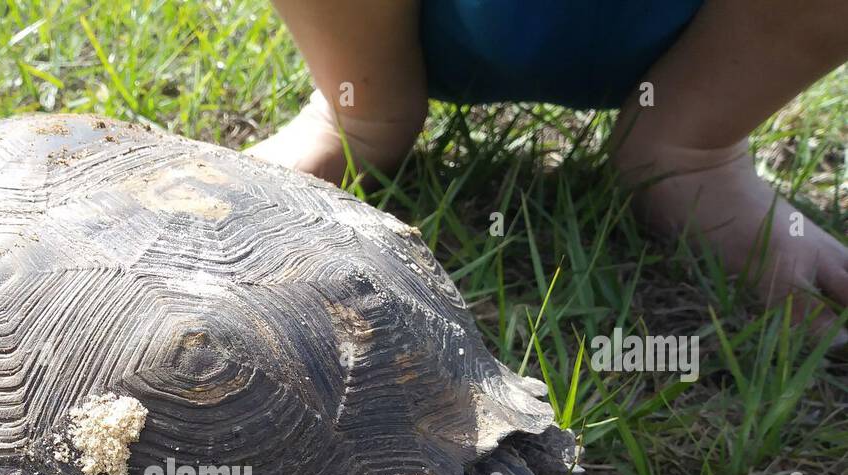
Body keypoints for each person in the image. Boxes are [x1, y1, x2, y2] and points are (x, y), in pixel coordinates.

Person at [247, 1, 848, 336]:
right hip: (396, 23)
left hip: (711, 32)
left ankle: (690, 145)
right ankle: (360, 106)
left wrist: (698, 147)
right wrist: (357, 106)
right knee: (359, 107)